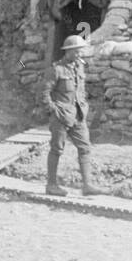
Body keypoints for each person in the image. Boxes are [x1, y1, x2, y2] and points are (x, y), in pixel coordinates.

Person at [43, 34, 111, 197]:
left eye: (81, 51)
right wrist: (54, 109)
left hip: (78, 115)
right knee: (57, 149)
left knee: (85, 148)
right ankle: (51, 185)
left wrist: (83, 106)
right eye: (77, 52)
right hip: (61, 116)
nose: (80, 54)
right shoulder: (56, 69)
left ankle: (87, 185)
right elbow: (45, 93)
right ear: (68, 51)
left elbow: (80, 90)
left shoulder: (80, 67)